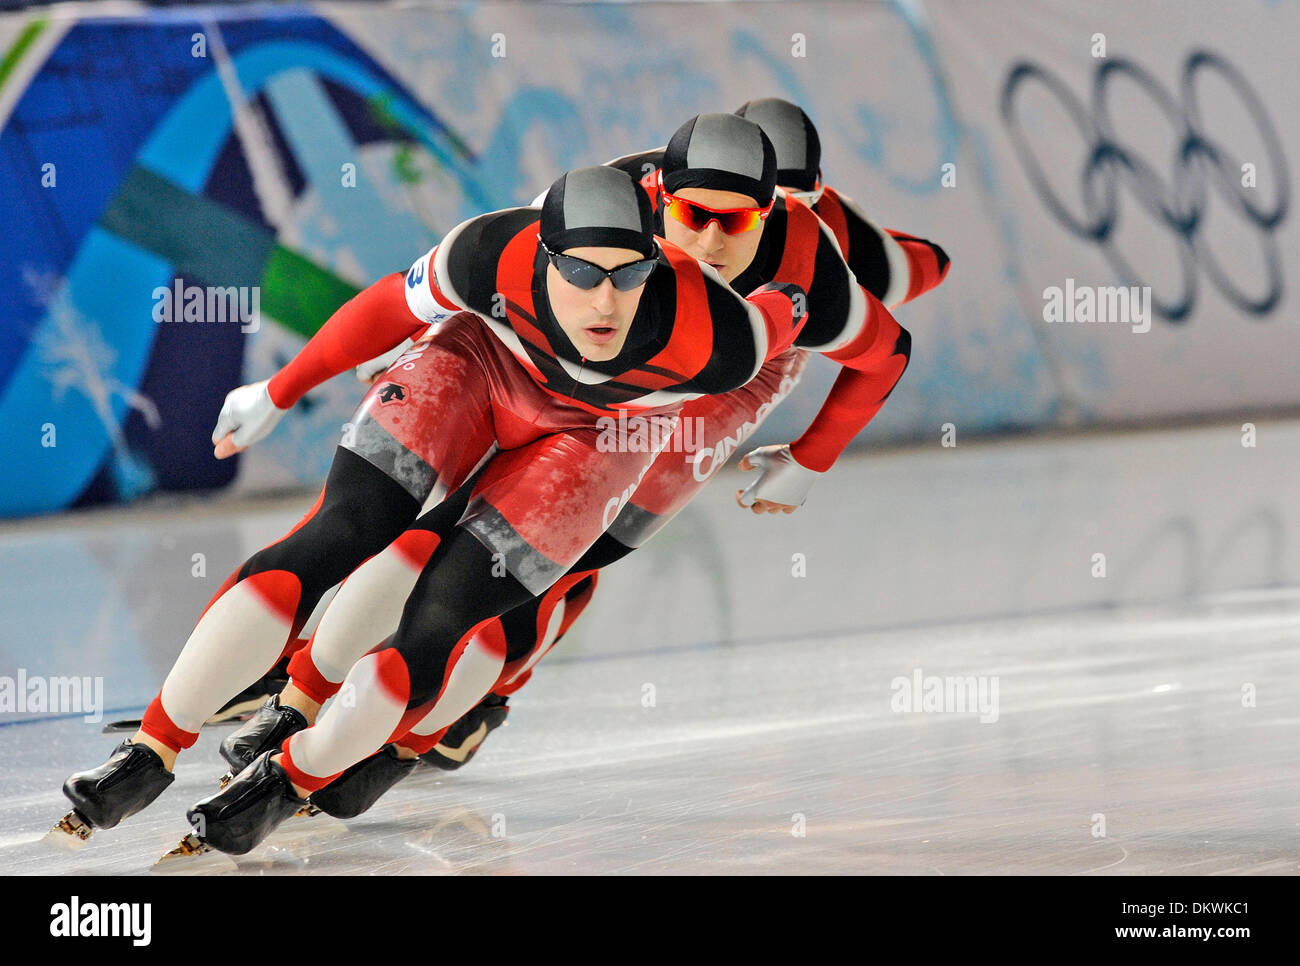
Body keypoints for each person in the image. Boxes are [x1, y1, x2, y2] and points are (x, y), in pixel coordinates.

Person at [198, 111, 927, 831]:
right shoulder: (618, 196)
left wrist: (810, 459)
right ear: (661, 194)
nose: (711, 239)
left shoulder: (814, 271)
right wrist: (412, 343)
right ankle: (316, 690)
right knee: (428, 525)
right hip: (578, 366)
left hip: (714, 383)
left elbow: (893, 331)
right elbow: (506, 270)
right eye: (695, 214)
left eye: (743, 222)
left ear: (783, 209)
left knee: (551, 563)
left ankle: (468, 699)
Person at [53, 164, 805, 851]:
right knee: (342, 532)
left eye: (628, 274)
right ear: (542, 255)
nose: (604, 302)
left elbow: (858, 332)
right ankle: (150, 749)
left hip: (603, 432)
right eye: (581, 273)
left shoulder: (725, 337)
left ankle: (297, 772)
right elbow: (385, 303)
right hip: (482, 362)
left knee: (447, 614)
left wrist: (811, 454)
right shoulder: (487, 253)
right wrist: (275, 393)